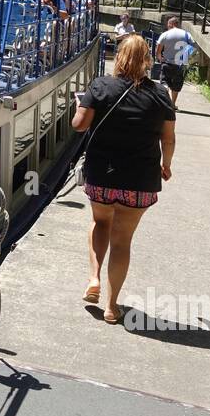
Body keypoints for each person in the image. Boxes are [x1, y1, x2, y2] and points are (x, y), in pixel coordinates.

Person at [71, 35, 176, 323]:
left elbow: (79, 125)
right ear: (147, 60)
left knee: (100, 222)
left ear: (118, 57)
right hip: (140, 180)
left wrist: (81, 104)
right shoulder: (160, 94)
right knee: (122, 242)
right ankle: (111, 306)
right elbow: (168, 138)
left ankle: (93, 278)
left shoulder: (101, 86)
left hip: (102, 176)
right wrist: (166, 165)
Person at [155, 15, 195, 106]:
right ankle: (172, 104)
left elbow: (158, 49)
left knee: (164, 82)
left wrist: (160, 58)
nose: (167, 26)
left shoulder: (165, 34)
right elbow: (194, 47)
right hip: (180, 64)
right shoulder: (186, 34)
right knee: (176, 85)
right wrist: (186, 57)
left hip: (167, 62)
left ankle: (165, 102)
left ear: (172, 24)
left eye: (168, 24)